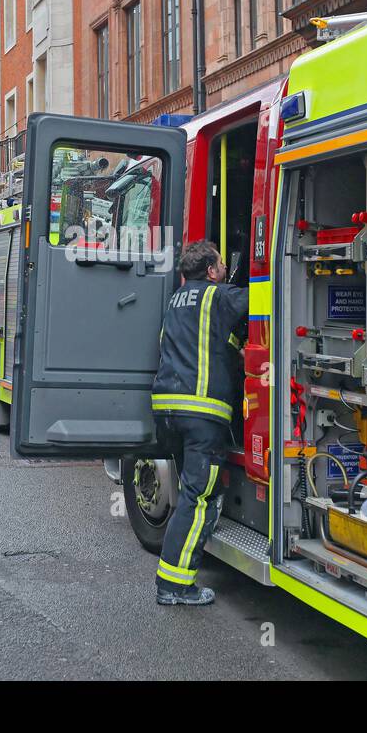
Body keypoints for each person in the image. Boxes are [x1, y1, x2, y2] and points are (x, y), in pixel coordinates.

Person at [150, 240, 247, 607]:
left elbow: (199, 343)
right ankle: (174, 585)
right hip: (201, 415)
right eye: (221, 264)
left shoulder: (174, 302)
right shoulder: (218, 297)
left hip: (168, 412)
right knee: (198, 498)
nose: (223, 269)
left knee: (192, 492)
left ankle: (175, 576)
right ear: (210, 271)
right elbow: (267, 294)